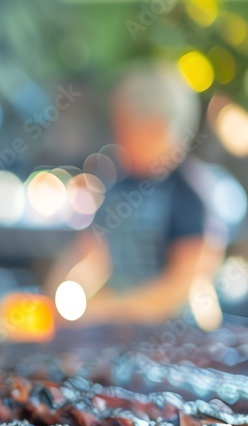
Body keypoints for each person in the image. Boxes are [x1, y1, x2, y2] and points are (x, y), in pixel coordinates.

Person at [46, 63, 225, 325]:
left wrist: (104, 310)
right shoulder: (118, 184)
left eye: (124, 125)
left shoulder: (189, 193)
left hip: (177, 347)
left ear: (154, 126)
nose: (118, 137)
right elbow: (87, 253)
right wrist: (60, 298)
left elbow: (184, 285)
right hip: (121, 341)